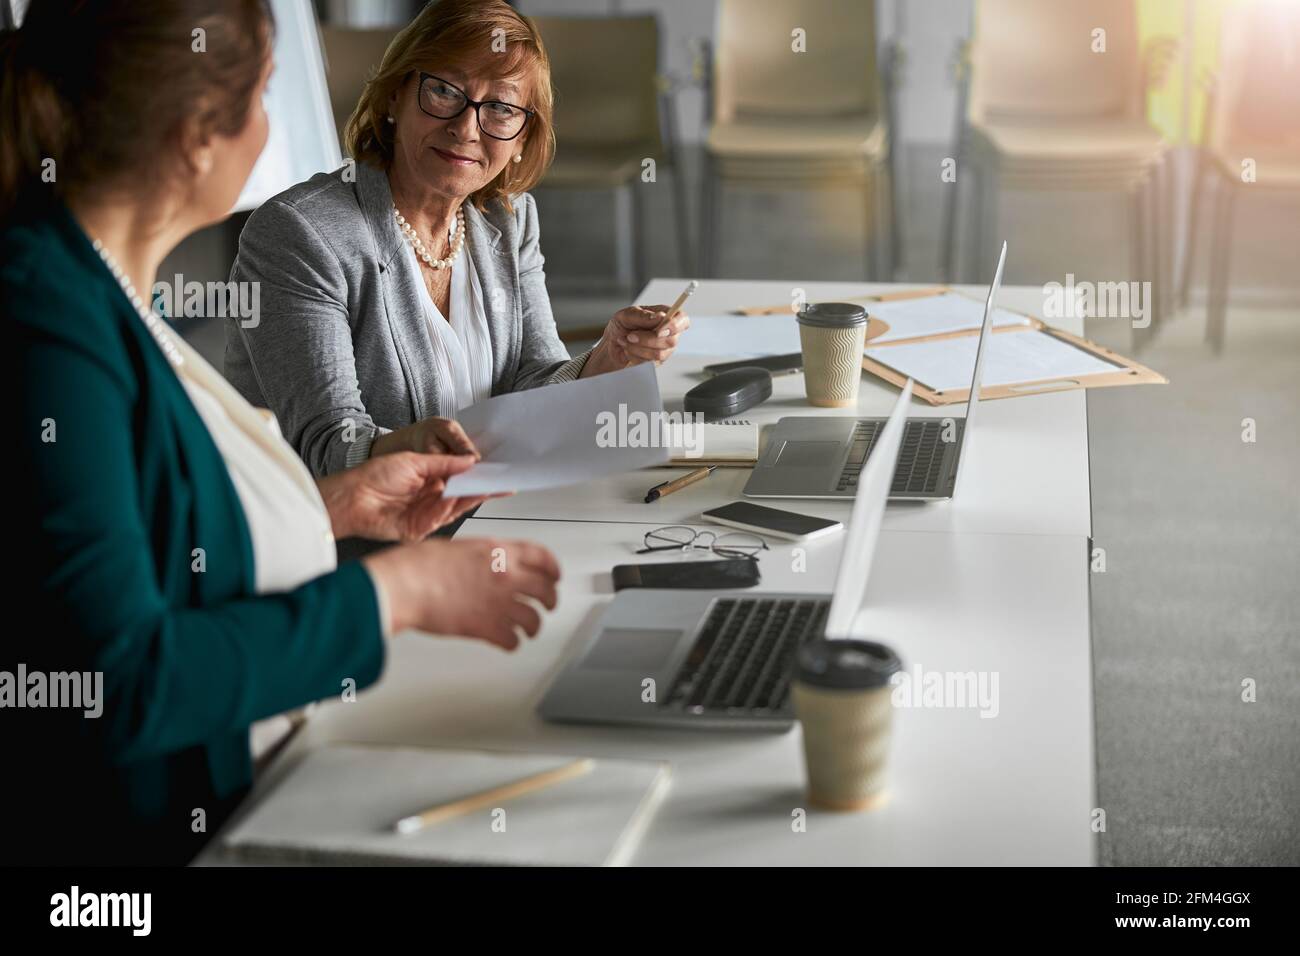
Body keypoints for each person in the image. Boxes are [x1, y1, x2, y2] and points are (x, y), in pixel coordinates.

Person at [0, 0, 559, 865]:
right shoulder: (49, 328)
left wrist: (332, 504)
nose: (272, 129)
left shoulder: (96, 287)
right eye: (264, 96)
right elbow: (117, 682)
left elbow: (160, 543)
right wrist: (395, 596)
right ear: (197, 136)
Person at [223, 0, 691, 476]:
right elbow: (325, 447)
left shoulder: (508, 218)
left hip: (490, 507)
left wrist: (606, 358)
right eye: (444, 91)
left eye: (501, 108)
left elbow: (533, 381)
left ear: (522, 138)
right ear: (394, 96)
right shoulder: (301, 233)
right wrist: (421, 450)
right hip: (360, 539)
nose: (466, 128)